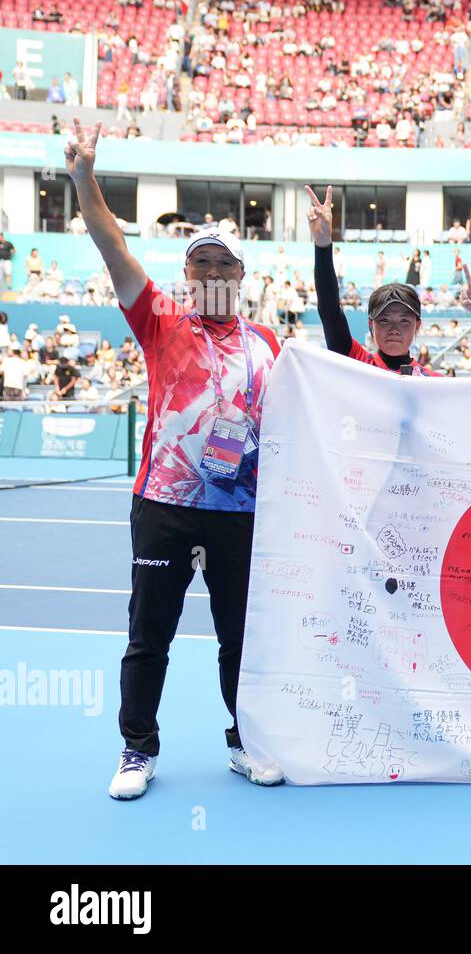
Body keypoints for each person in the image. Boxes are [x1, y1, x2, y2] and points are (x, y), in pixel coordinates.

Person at [63, 120, 284, 800]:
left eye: (225, 264)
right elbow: (113, 245)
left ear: (242, 275)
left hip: (239, 512)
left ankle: (245, 742)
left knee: (239, 639)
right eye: (202, 264)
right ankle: (138, 749)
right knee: (148, 633)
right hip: (164, 503)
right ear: (187, 274)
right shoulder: (160, 320)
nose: (214, 272)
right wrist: (83, 178)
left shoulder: (269, 343)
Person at [306, 186, 439, 376]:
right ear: (370, 325)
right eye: (384, 320)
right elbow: (330, 313)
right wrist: (322, 245)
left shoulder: (435, 382)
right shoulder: (356, 362)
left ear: (418, 325)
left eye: (404, 320)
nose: (394, 329)